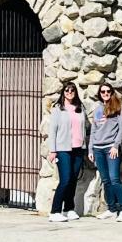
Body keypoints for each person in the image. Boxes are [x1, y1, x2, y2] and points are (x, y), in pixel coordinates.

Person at [47, 81, 88, 222]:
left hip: (78, 149)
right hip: (62, 149)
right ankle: (54, 211)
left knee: (72, 181)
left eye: (72, 90)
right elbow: (52, 131)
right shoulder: (58, 109)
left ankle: (69, 209)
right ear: (63, 92)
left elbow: (83, 128)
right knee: (65, 180)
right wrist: (53, 150)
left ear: (75, 92)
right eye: (67, 90)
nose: (69, 93)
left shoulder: (80, 108)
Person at [89, 83, 122, 221]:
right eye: (102, 91)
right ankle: (112, 209)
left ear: (111, 92)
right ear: (99, 93)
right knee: (105, 180)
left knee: (114, 179)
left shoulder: (118, 106)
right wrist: (91, 149)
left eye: (107, 91)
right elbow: (93, 130)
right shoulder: (97, 109)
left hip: (111, 148)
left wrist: (115, 146)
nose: (105, 93)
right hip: (98, 149)